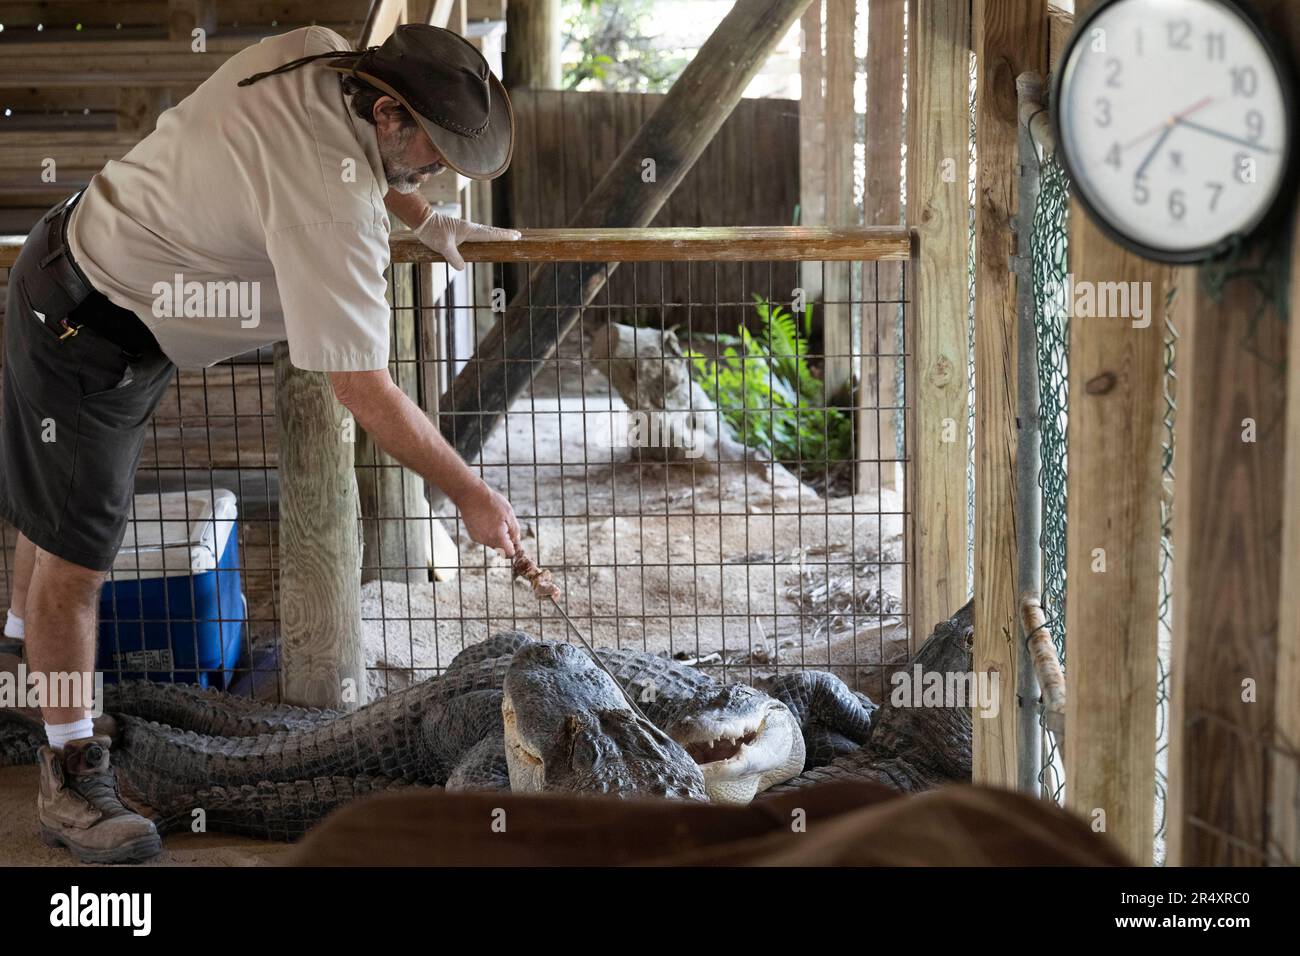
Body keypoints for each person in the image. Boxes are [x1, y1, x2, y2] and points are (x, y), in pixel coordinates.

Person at [0, 23, 522, 863]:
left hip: (86, 275)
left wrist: (425, 217)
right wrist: (468, 491)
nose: (437, 169)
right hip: (84, 328)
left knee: (53, 507)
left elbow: (366, 164)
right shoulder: (333, 201)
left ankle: (21, 667)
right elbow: (362, 387)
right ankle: (68, 771)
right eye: (432, 154)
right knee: (75, 567)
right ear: (387, 111)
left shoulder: (317, 51)